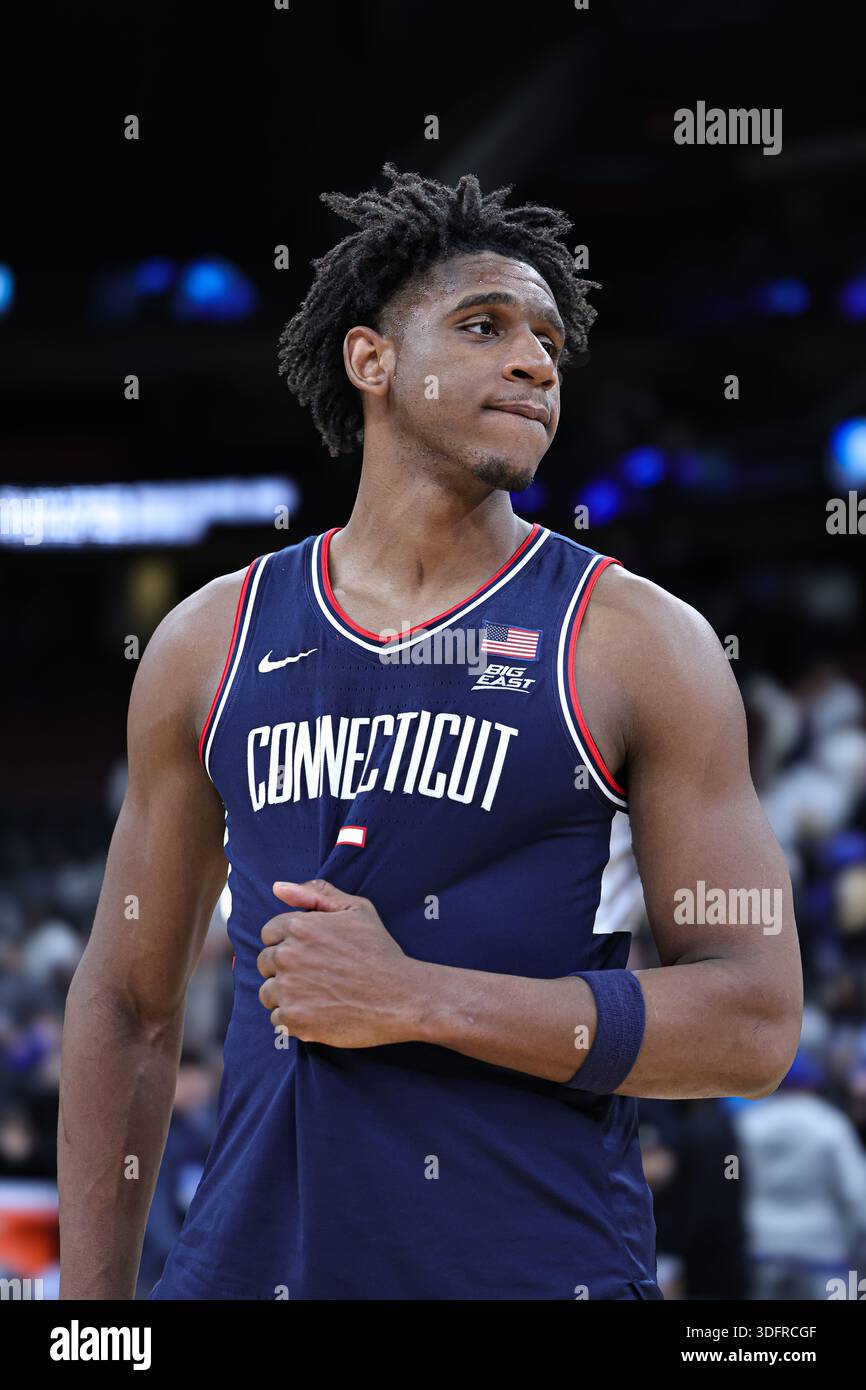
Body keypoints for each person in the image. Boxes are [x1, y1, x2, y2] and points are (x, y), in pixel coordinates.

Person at [58, 165, 803, 1300]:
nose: (535, 360)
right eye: (484, 324)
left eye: (549, 338)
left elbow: (750, 1021)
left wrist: (415, 998)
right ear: (371, 361)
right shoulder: (209, 640)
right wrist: (90, 1321)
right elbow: (124, 1001)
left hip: (534, 1270)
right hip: (250, 1271)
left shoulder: (635, 640)